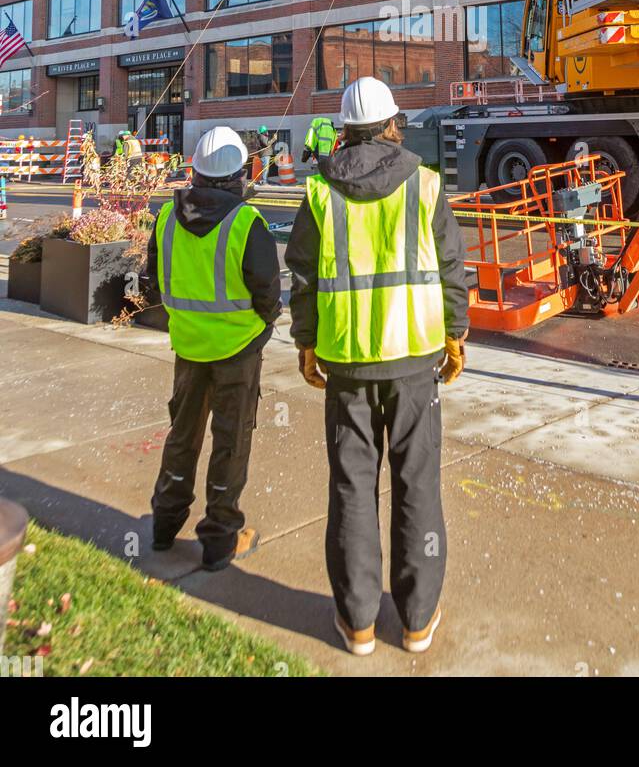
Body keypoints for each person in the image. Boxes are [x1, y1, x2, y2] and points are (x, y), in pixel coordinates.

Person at [285, 76, 468, 657]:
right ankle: (416, 621)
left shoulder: (319, 192)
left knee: (351, 490)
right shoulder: (426, 185)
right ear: (393, 124)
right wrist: (456, 334)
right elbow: (450, 268)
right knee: (418, 487)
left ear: (344, 128)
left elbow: (305, 280)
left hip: (346, 365)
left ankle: (359, 622)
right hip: (416, 362)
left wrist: (306, 343)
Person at [144, 126, 282, 571]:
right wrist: (260, 328)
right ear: (239, 174)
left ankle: (164, 526)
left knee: (182, 437)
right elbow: (268, 295)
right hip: (238, 352)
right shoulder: (247, 223)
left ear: (196, 173)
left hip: (188, 348)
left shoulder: (166, 218)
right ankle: (220, 539)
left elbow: (154, 282)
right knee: (230, 442)